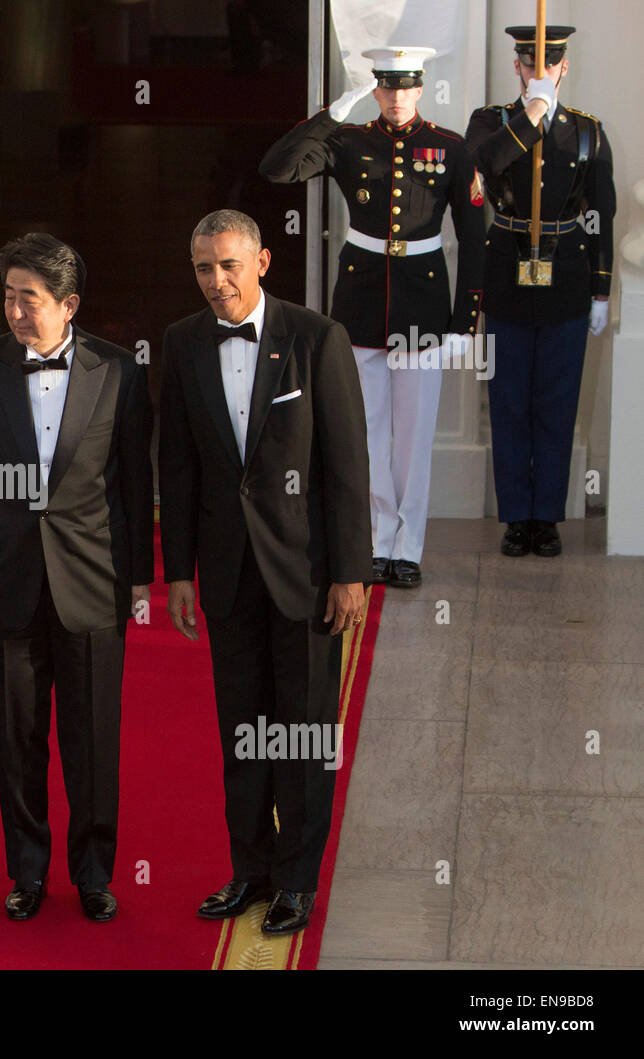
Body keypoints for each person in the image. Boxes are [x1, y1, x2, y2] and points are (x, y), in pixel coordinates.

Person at [160, 210, 370, 935]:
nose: (216, 282)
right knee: (244, 729)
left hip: (306, 574)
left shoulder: (318, 339)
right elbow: (177, 465)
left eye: (228, 265)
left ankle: (298, 881)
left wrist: (351, 571)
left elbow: (347, 465)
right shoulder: (182, 344)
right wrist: (178, 571)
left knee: (304, 731)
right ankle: (248, 870)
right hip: (225, 574)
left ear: (262, 262)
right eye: (202, 268)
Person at [0, 233, 154, 923]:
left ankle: (94, 871)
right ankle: (27, 871)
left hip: (93, 578)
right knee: (17, 734)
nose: (14, 310)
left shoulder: (121, 371)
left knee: (93, 738)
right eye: (8, 296)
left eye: (28, 299)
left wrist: (138, 579)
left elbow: (133, 480)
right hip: (9, 575)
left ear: (68, 305)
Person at [260, 47, 484, 590]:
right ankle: (376, 540)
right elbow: (278, 169)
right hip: (360, 300)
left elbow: (476, 241)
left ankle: (408, 546)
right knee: (365, 431)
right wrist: (331, 115)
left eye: (407, 88)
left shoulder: (450, 148)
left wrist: (464, 321)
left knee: (412, 436)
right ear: (376, 89)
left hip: (424, 303)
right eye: (387, 88)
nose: (397, 98)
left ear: (421, 89)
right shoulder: (349, 140)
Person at [465, 25, 614, 559]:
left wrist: (601, 291)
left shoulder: (588, 133)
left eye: (549, 66)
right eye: (530, 65)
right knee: (508, 403)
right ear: (517, 67)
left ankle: (546, 516)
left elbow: (599, 216)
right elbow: (482, 167)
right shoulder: (491, 122)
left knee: (556, 402)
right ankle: (515, 517)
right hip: (506, 273)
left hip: (566, 275)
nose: (539, 75)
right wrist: (529, 118)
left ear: (564, 68)